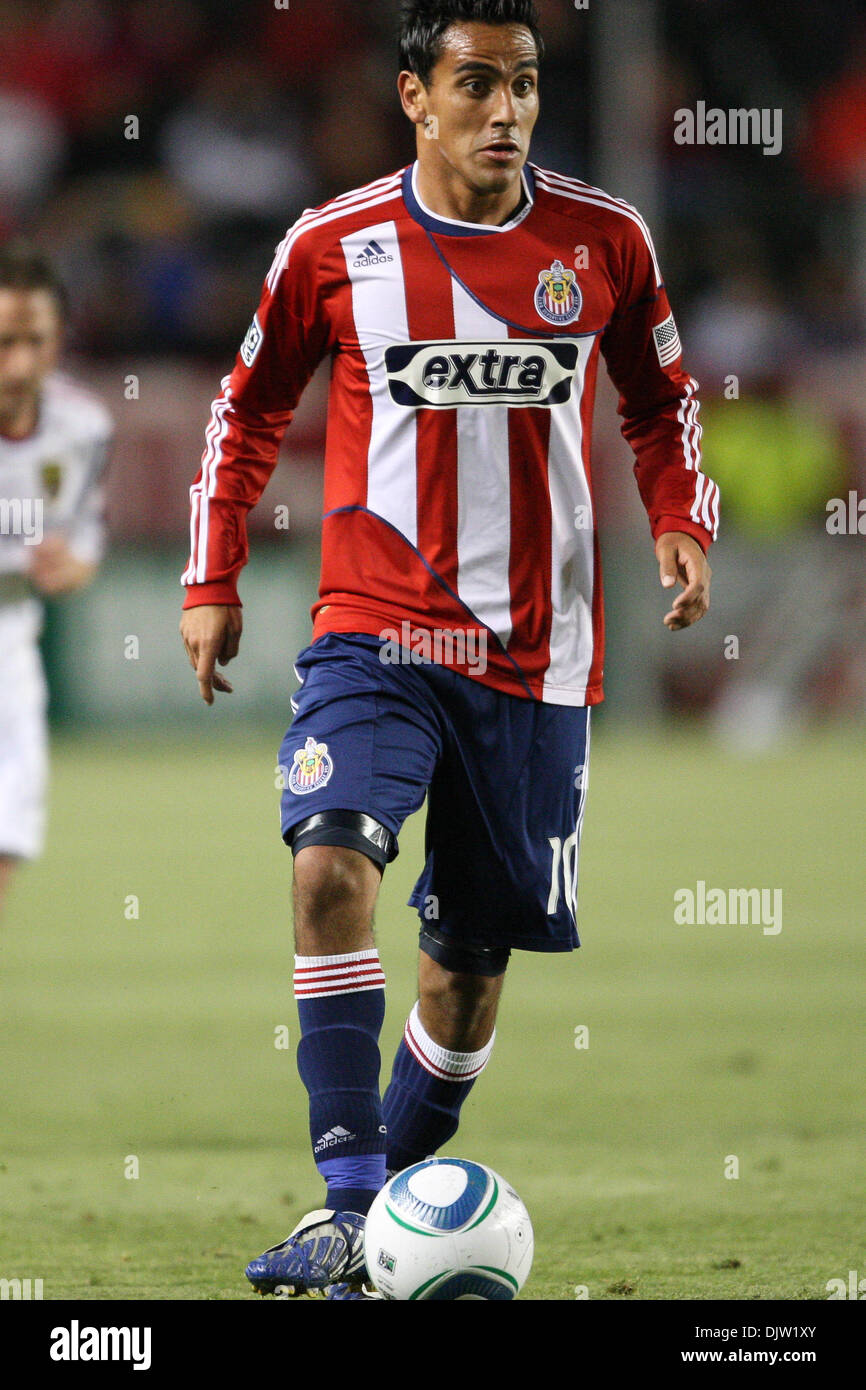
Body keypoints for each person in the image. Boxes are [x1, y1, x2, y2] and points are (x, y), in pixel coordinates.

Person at [180, 0, 717, 1299]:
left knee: (465, 978)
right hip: (373, 633)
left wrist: (679, 516)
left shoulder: (603, 240)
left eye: (523, 85)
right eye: (476, 85)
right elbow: (246, 404)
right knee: (326, 871)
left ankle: (356, 1246)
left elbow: (659, 398)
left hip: (534, 662)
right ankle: (353, 1194)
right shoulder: (332, 244)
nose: (506, 111)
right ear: (413, 95)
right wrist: (212, 574)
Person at [0, 243, 111, 920]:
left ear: (58, 340)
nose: (17, 362)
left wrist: (72, 567)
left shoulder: (84, 425)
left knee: (10, 828)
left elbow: (85, 541)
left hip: (11, 642)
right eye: (2, 341)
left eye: (33, 341)